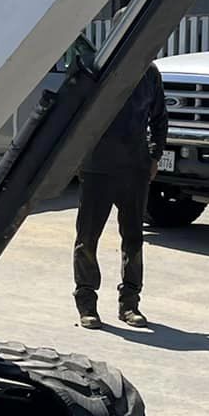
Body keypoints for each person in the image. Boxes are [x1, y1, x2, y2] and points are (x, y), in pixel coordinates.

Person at [74, 62, 167, 329]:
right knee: (87, 238)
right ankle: (87, 304)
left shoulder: (149, 73)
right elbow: (75, 116)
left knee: (134, 239)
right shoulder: (98, 68)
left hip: (134, 168)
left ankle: (129, 304)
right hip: (97, 168)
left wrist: (154, 154)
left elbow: (159, 117)